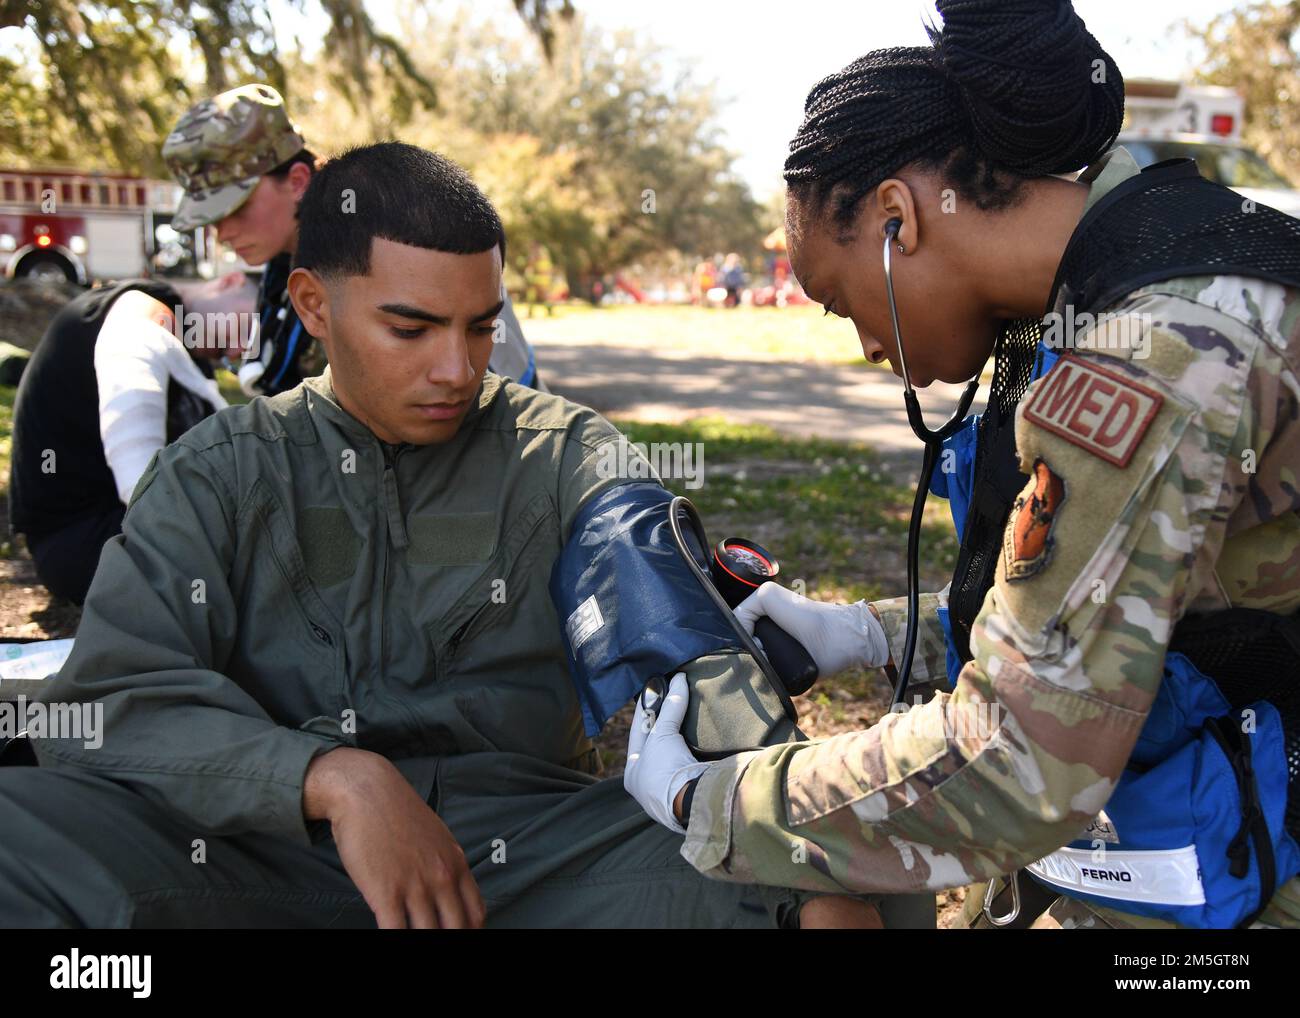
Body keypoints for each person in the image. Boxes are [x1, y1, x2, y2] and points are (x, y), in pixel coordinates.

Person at [0, 142, 891, 929]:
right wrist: (331, 779)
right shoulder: (218, 473)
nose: (457, 369)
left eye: (480, 325)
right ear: (313, 305)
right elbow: (117, 699)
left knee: (857, 859)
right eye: (410, 327)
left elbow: (691, 645)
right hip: (257, 855)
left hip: (524, 864)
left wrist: (794, 857)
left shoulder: (567, 456)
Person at [623, 0, 1300, 930]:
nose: (865, 342)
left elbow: (1016, 763)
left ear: (899, 219)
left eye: (838, 299)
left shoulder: (1154, 354)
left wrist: (717, 804)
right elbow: (1115, 605)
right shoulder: (1157, 266)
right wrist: (865, 635)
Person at [162, 83, 542, 396]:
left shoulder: (391, 242)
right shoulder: (289, 261)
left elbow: (469, 398)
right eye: (212, 218)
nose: (222, 232)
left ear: (296, 181)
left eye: (237, 208)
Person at [7, 273, 251, 603]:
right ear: (229, 280)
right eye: (250, 326)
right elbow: (133, 359)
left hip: (109, 538)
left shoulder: (185, 350)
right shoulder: (143, 305)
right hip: (91, 543)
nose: (238, 350)